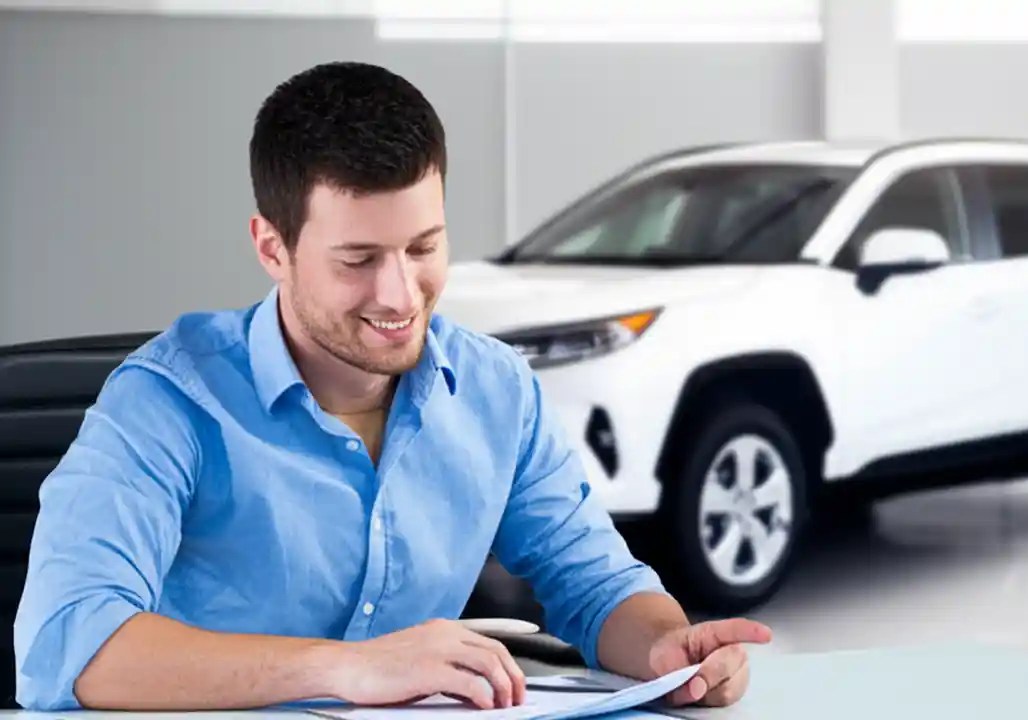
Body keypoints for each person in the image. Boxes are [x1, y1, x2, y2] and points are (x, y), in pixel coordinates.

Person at [13, 61, 771, 712]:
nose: (402, 294)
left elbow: (596, 585)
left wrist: (667, 648)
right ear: (272, 248)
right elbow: (63, 641)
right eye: (359, 259)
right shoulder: (166, 401)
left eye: (423, 247)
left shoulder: (496, 390)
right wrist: (347, 671)